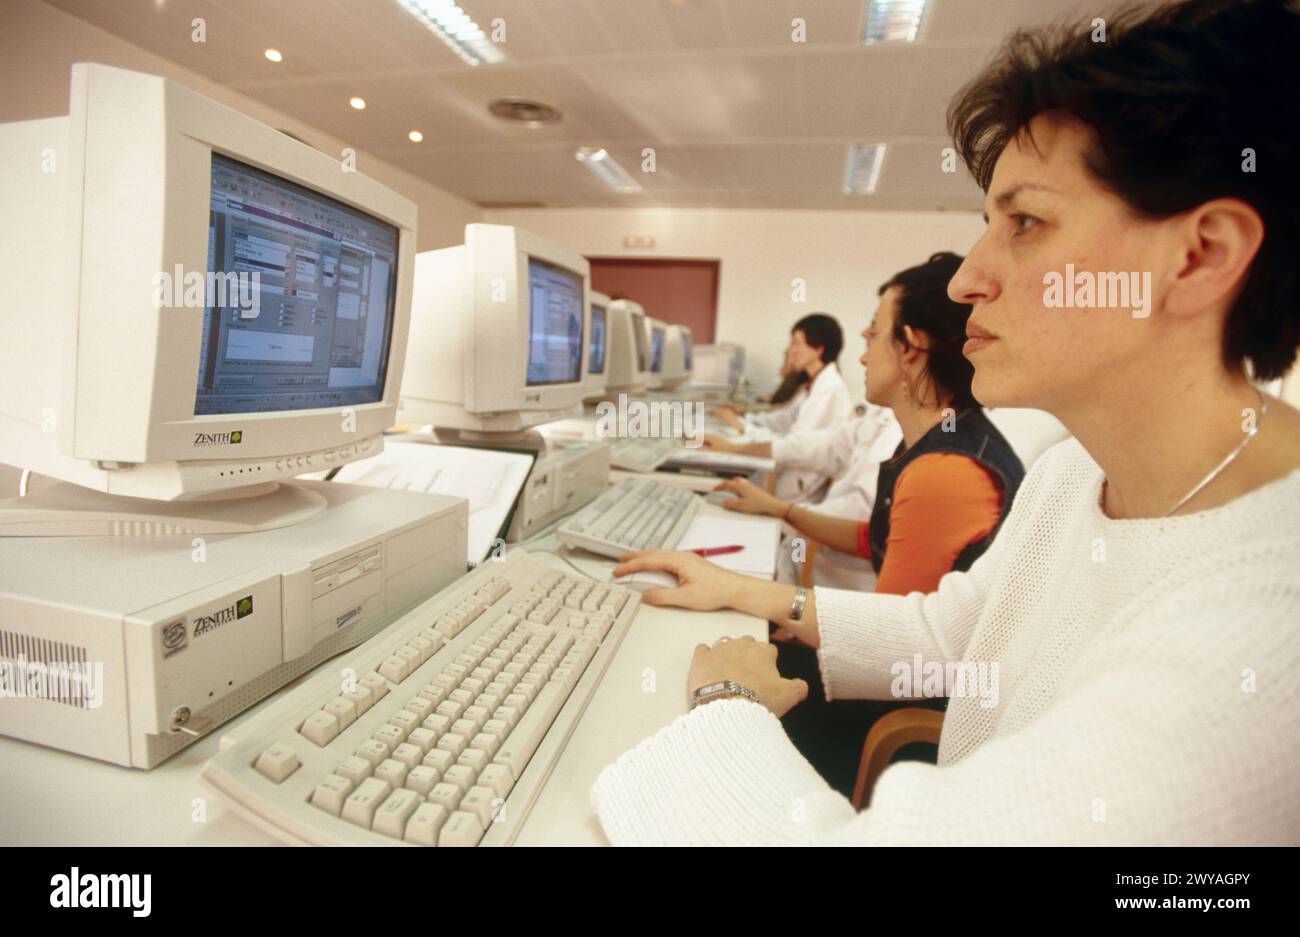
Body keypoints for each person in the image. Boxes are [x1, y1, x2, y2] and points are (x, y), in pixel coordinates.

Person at [592, 0, 1300, 844]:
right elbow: (951, 629)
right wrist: (744, 592)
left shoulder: (1265, 626)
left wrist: (726, 702)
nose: (967, 278)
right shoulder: (1082, 471)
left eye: (1025, 223)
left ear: (1199, 256)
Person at [681, 253, 1029, 795]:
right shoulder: (938, 441)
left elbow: (889, 648)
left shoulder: (946, 471)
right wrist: (783, 515)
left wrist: (762, 611)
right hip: (888, 668)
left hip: (888, 711)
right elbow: (878, 539)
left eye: (873, 332)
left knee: (694, 691)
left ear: (911, 347)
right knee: (718, 636)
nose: (862, 351)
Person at [710, 313, 854, 502]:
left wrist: (742, 429)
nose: (789, 350)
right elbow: (782, 419)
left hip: (797, 493)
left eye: (796, 343)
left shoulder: (829, 389)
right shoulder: (815, 385)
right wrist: (744, 421)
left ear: (818, 349)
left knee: (721, 495)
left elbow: (793, 445)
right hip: (789, 479)